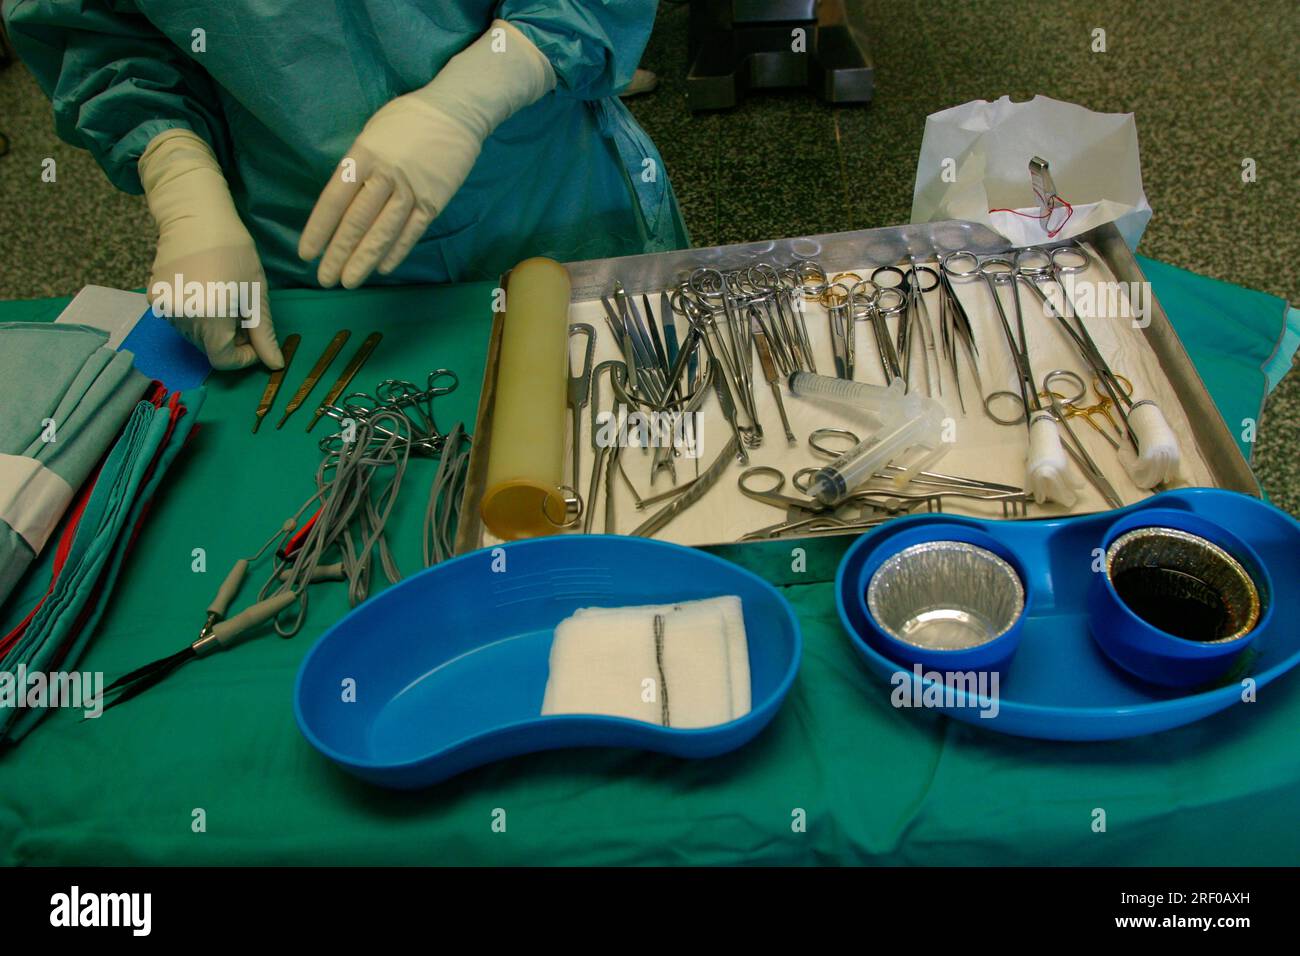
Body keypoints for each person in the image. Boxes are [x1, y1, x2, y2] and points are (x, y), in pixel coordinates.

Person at [4, 1, 689, 369]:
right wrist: (181, 180)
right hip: (302, 248)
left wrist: (472, 95)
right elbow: (99, 39)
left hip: (545, 201)